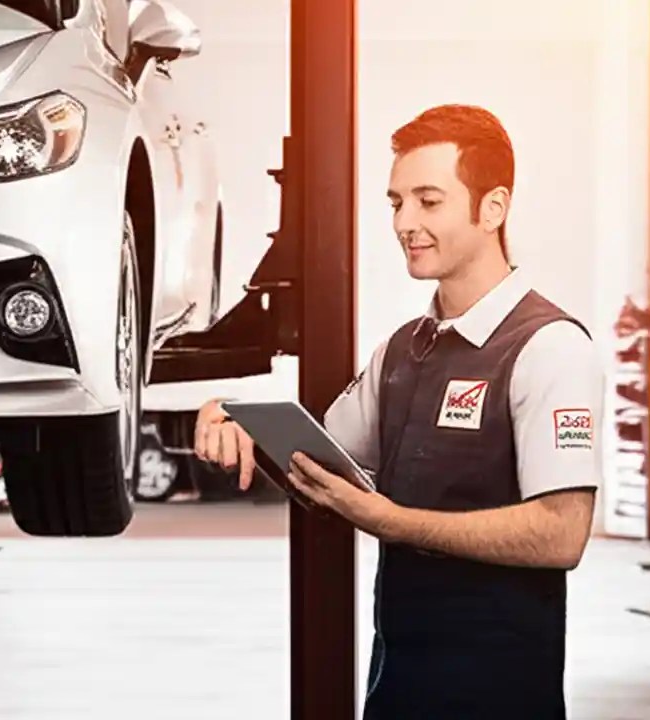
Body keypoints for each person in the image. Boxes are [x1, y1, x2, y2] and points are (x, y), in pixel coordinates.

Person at [193, 104, 602, 718]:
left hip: (500, 699)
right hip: (396, 690)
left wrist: (391, 520)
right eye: (396, 203)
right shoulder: (403, 349)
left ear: (493, 208)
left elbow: (561, 534)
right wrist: (231, 415)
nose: (405, 223)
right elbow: (316, 462)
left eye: (429, 201)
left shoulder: (550, 347)